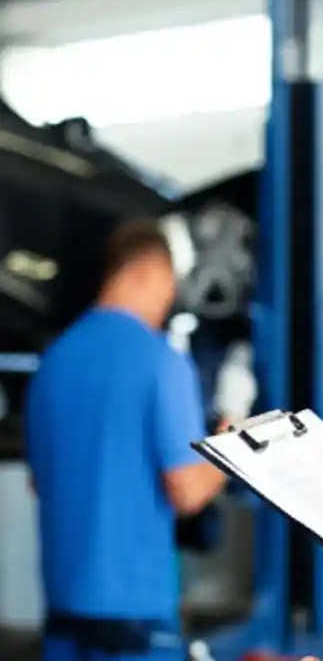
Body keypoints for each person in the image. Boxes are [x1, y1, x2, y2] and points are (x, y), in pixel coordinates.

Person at [25, 219, 230, 661]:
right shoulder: (161, 361)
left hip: (63, 610)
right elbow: (188, 489)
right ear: (145, 274)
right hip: (135, 619)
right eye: (167, 289)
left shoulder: (54, 361)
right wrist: (232, 448)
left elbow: (39, 482)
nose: (168, 302)